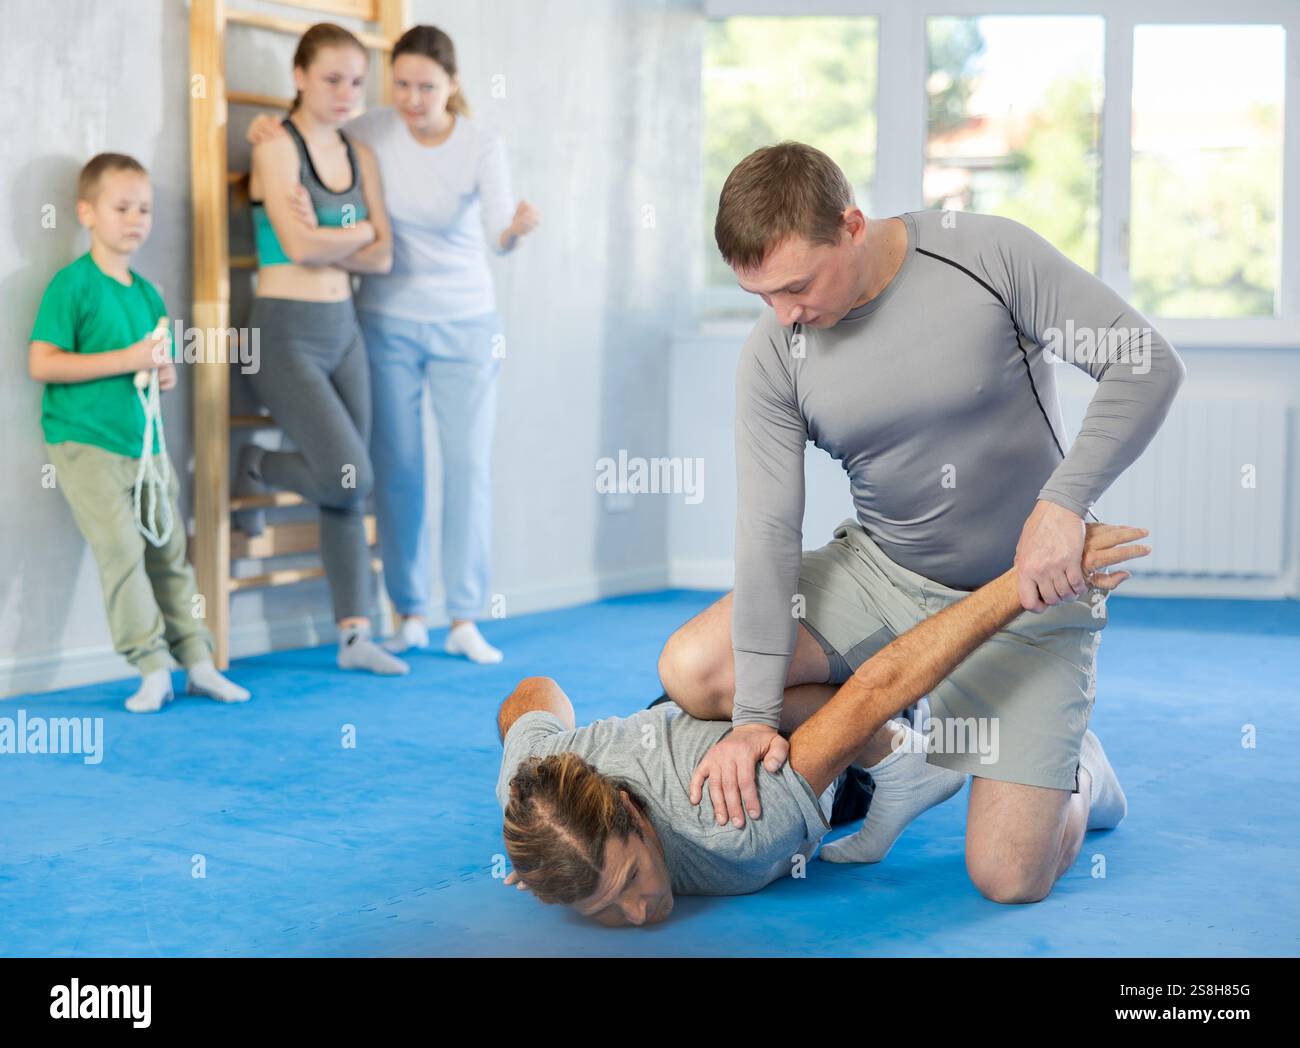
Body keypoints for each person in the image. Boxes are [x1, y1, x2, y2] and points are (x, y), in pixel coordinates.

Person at [656, 142, 1186, 903]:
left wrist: (1062, 504)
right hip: (885, 578)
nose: (786, 315)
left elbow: (1146, 361)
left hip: (1029, 590)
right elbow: (769, 534)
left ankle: (1082, 773)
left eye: (797, 285)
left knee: (1008, 879)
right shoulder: (777, 352)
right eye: (763, 297)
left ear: (851, 226)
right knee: (695, 668)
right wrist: (752, 720)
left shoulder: (984, 252)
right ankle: (900, 758)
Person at [496, 524, 1149, 926]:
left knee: (1012, 874)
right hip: (710, 725)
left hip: (844, 723)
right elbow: (533, 694)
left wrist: (1023, 584)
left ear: (636, 817)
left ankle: (1061, 768)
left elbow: (871, 693)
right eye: (603, 910)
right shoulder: (533, 795)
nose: (639, 912)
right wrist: (532, 826)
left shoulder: (736, 829)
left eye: (631, 880)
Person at [247, 25, 540, 665]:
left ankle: (463, 616)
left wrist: (514, 231)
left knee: (466, 468)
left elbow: (495, 230)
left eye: (426, 86)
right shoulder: (368, 128)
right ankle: (409, 613)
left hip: (466, 320)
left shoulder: (479, 144)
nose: (411, 97)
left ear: (453, 86)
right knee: (396, 471)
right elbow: (312, 152)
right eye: (400, 83)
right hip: (383, 321)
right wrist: (263, 132)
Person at [28, 153, 249, 713]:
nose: (135, 219)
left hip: (146, 447)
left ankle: (197, 660)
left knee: (170, 551)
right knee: (122, 550)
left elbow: (152, 367)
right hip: (85, 443)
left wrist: (161, 370)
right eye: (121, 207)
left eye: (144, 209)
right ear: (87, 212)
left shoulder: (148, 293)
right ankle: (152, 667)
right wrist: (127, 357)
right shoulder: (72, 285)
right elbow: (44, 363)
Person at [234, 22, 408, 676]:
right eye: (332, 78)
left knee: (349, 487)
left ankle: (355, 635)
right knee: (350, 472)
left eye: (358, 81)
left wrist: (353, 235)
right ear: (300, 75)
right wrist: (357, 233)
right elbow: (299, 247)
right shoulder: (276, 146)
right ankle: (257, 463)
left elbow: (384, 255)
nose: (345, 92)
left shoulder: (359, 154)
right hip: (282, 331)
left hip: (344, 329)